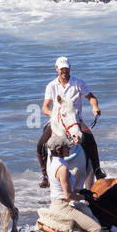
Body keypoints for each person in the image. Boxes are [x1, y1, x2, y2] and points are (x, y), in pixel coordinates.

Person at [44, 136, 115, 232]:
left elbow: (70, 188)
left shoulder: (55, 162)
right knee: (96, 229)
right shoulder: (62, 168)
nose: (69, 148)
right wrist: (83, 198)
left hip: (62, 202)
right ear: (58, 150)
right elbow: (69, 195)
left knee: (93, 214)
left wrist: (83, 191)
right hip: (63, 207)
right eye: (66, 146)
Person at [37, 56, 104, 188]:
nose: (64, 71)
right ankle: (45, 176)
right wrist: (54, 115)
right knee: (41, 144)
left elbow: (91, 97)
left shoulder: (78, 83)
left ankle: (97, 170)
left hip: (75, 120)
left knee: (90, 139)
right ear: (56, 69)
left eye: (66, 69)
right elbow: (45, 108)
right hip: (57, 121)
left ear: (70, 68)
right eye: (61, 69)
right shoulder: (51, 86)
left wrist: (95, 106)